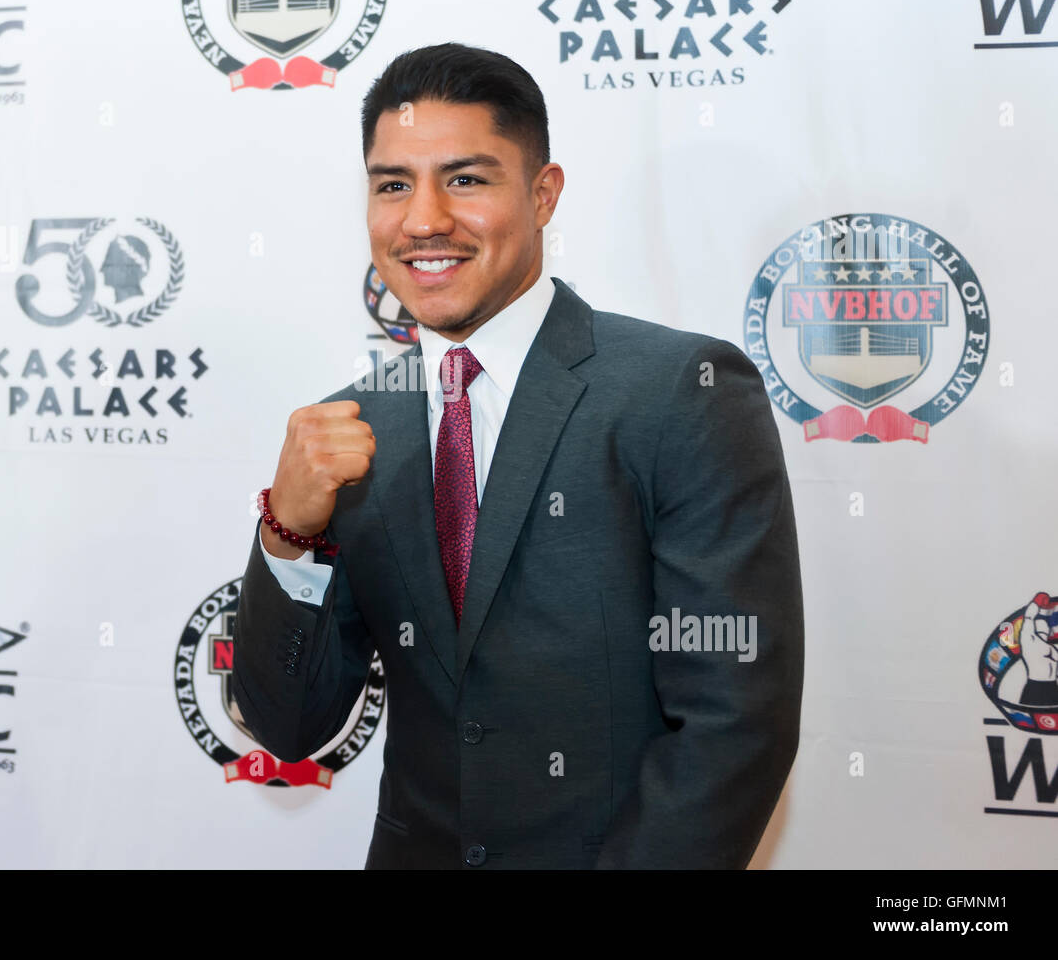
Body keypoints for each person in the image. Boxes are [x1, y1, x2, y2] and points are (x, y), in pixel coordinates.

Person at [230, 42, 804, 869]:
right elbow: (289, 727)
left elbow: (733, 725)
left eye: (465, 178)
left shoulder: (682, 389)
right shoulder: (349, 424)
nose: (423, 219)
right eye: (393, 183)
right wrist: (286, 533)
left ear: (543, 194)